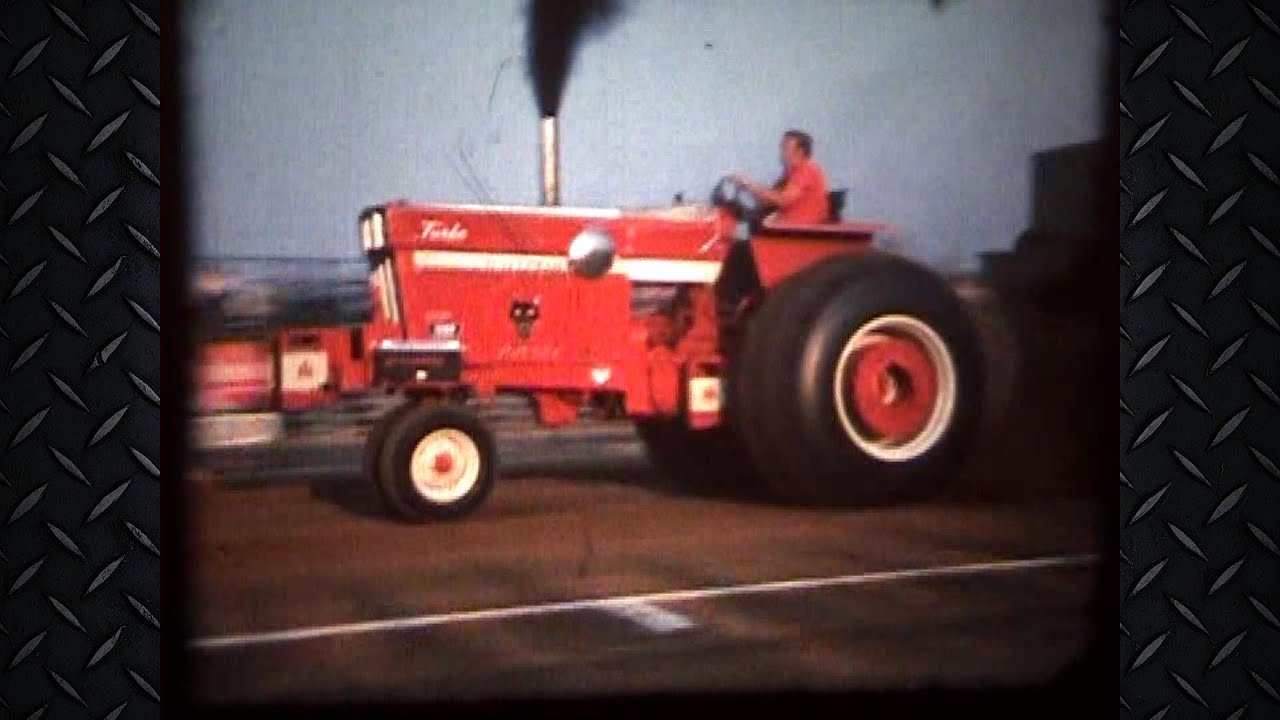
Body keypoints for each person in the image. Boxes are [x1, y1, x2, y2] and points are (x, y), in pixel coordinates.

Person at [732, 129, 831, 224]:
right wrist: (745, 187)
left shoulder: (807, 169)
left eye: (785, 147)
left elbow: (782, 200)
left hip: (799, 230)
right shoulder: (790, 174)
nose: (781, 151)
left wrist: (749, 184)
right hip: (787, 225)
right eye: (781, 147)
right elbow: (769, 201)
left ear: (800, 151)